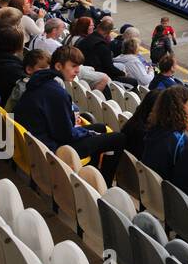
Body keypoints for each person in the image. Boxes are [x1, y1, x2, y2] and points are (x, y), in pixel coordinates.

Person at [15, 45, 123, 183]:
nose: (77, 71)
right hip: (53, 148)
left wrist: (84, 130)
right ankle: (104, 184)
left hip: (41, 139)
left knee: (100, 127)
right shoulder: (56, 92)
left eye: (78, 66)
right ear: (59, 66)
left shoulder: (40, 81)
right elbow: (65, 135)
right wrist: (88, 133)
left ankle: (93, 174)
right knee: (118, 138)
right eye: (73, 66)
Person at [141, 84, 188, 180]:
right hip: (168, 188)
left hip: (150, 183)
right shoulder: (179, 139)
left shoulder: (154, 128)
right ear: (178, 108)